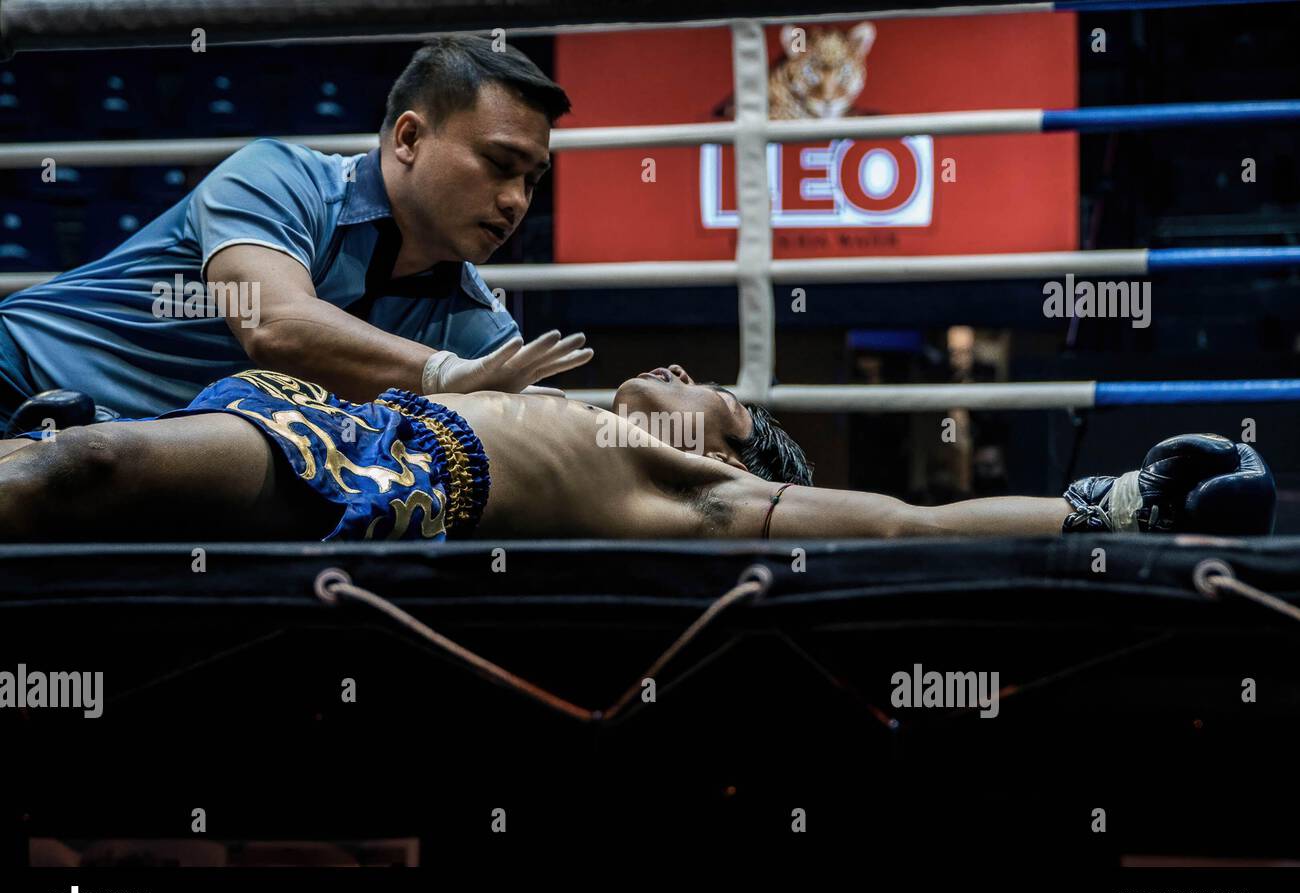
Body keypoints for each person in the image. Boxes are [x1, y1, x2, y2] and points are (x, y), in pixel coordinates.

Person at [0, 35, 589, 433]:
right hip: (19, 370)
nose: (516, 201)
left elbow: (527, 436)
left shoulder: (479, 327)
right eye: (498, 163)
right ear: (408, 138)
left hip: (115, 459)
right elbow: (274, 324)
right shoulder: (277, 176)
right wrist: (445, 375)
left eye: (532, 180)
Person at [0, 363, 1276, 543]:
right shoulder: (585, 408)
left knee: (90, 466)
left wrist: (1103, 504)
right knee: (86, 455)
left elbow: (902, 527)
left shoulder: (699, 483)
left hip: (386, 482)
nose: (670, 378)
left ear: (734, 438)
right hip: (341, 425)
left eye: (705, 387)